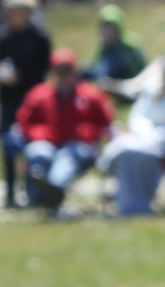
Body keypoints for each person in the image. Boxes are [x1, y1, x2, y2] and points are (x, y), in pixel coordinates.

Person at [99, 56, 165, 216]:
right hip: (143, 137)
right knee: (124, 151)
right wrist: (145, 134)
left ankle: (140, 202)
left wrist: (156, 137)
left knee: (144, 154)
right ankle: (124, 199)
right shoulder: (153, 87)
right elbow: (139, 115)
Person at [16, 48, 114, 213]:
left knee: (67, 156)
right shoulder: (39, 95)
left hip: (79, 147)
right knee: (38, 152)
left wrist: (87, 133)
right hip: (48, 144)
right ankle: (37, 197)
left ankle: (53, 191)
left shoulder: (90, 94)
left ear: (75, 71)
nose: (64, 76)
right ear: (52, 73)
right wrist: (42, 135)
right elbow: (24, 123)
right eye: (59, 72)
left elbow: (106, 124)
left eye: (67, 71)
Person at [0, 0, 53, 207]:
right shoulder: (4, 37)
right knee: (9, 145)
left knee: (33, 145)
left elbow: (42, 69)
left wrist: (21, 75)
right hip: (9, 98)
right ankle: (11, 192)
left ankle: (34, 191)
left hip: (34, 99)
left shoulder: (39, 37)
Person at [85, 5, 148, 94]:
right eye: (105, 27)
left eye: (111, 27)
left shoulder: (130, 46)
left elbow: (140, 70)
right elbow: (99, 63)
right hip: (106, 80)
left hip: (126, 83)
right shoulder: (105, 45)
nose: (107, 31)